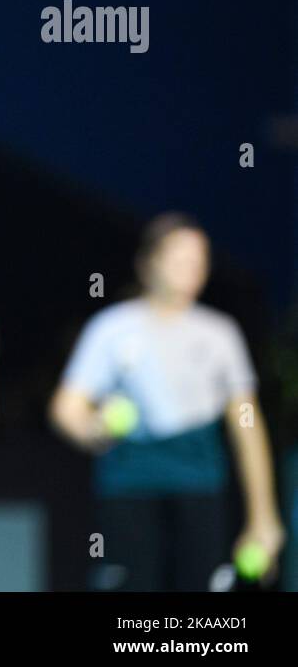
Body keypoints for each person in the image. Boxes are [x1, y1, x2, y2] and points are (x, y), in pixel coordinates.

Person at [49, 213, 286, 590]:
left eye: (199, 259)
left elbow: (245, 421)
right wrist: (92, 428)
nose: (191, 269)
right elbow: (67, 408)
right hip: (129, 487)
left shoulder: (220, 334)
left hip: (201, 490)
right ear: (149, 263)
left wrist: (263, 516)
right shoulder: (111, 329)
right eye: (179, 257)